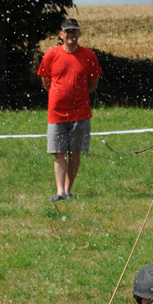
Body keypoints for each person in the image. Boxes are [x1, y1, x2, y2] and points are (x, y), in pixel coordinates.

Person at [37, 17, 102, 202]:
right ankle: (59, 192)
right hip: (56, 113)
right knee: (59, 153)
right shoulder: (51, 55)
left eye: (74, 31)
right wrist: (59, 96)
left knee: (75, 152)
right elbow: (45, 81)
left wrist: (78, 98)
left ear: (79, 33)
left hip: (80, 113)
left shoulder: (89, 55)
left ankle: (68, 190)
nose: (71, 35)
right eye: (68, 31)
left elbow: (93, 83)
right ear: (61, 34)